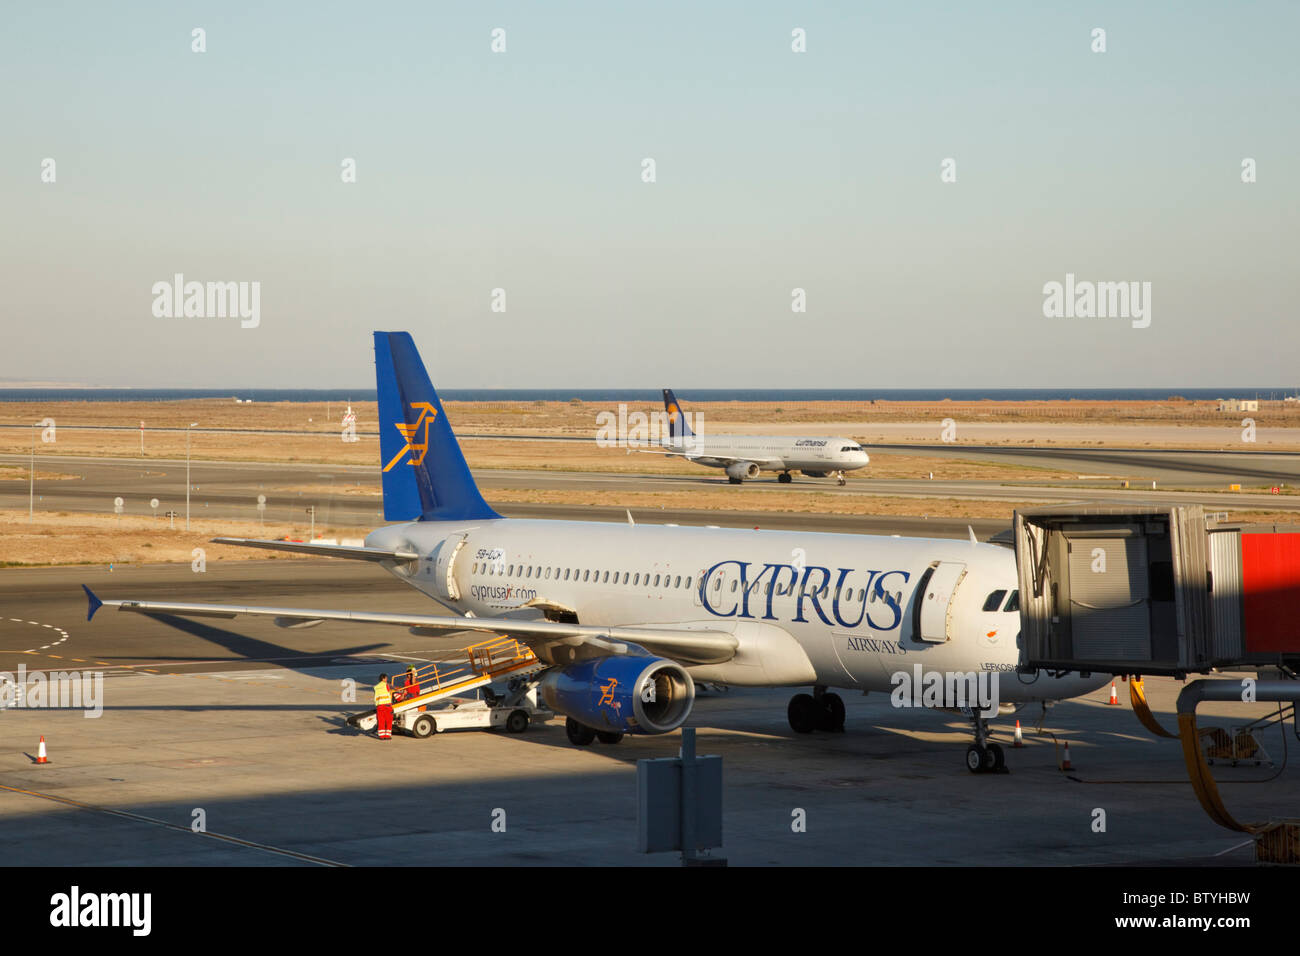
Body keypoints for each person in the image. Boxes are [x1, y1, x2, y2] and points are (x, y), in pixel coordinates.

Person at [373, 673, 394, 740]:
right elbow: (392, 689)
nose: (387, 679)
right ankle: (387, 736)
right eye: (386, 678)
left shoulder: (376, 687)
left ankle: (381, 736)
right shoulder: (386, 685)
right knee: (388, 721)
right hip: (387, 705)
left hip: (379, 705)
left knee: (381, 721)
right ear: (383, 679)